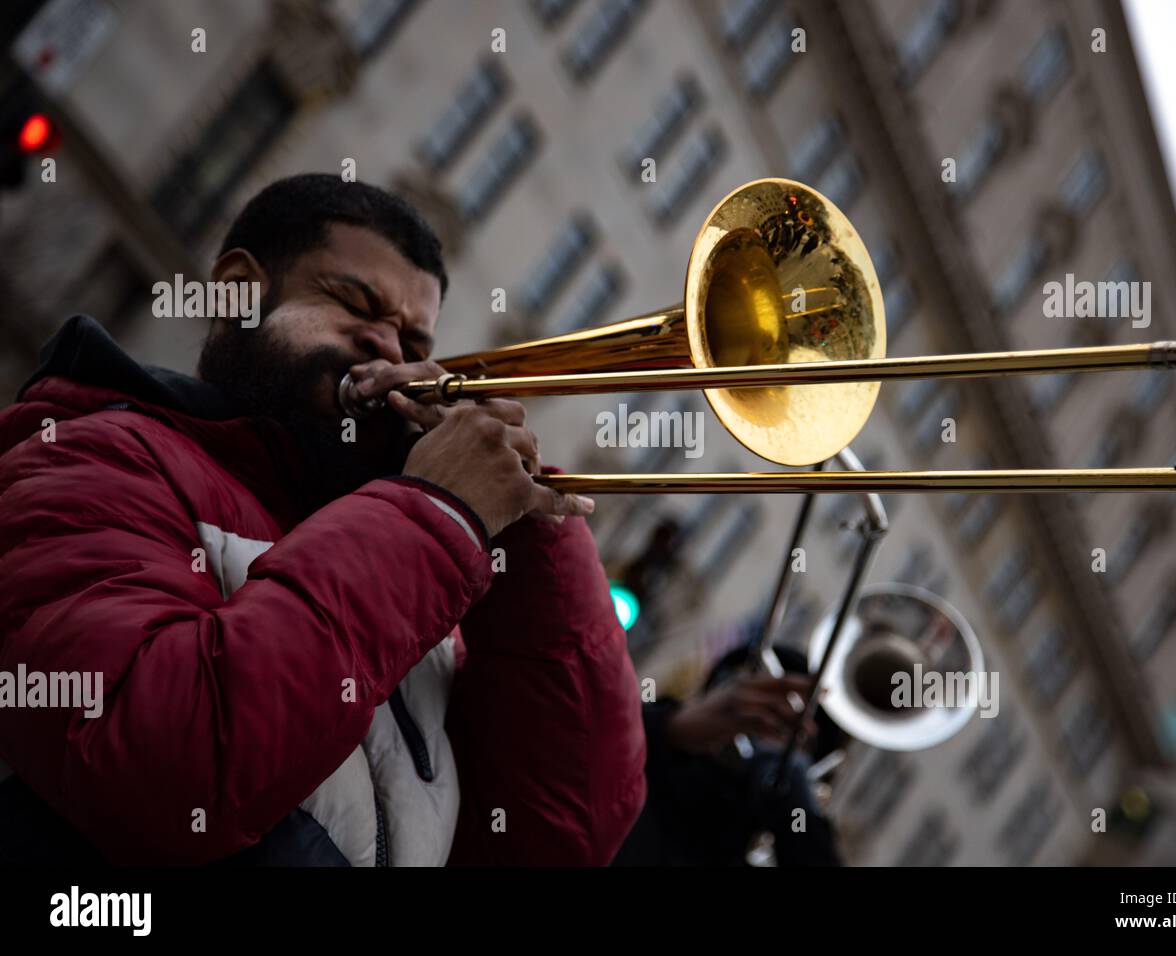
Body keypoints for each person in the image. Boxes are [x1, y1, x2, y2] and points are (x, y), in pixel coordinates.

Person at [0, 174, 646, 866]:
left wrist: (534, 541)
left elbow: (563, 834)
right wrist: (435, 514)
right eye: (353, 302)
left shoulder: (417, 573)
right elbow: (158, 764)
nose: (391, 352)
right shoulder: (88, 457)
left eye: (413, 338)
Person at [614, 643, 844, 866]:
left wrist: (797, 810)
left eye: (781, 724)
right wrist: (670, 728)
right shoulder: (634, 754)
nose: (753, 725)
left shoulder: (729, 848)